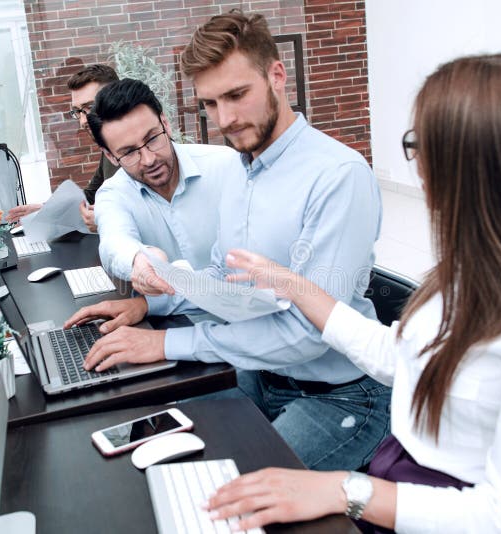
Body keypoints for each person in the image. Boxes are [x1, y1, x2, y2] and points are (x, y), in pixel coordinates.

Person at [201, 54, 501, 533]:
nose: (416, 168)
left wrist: (344, 489)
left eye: (421, 146)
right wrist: (293, 285)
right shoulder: (484, 265)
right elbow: (399, 356)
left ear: (482, 163)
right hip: (400, 483)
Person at [68, 11, 390, 472]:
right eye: (211, 104)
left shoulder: (338, 175)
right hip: (263, 373)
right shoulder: (242, 170)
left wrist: (167, 344)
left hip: (341, 396)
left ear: (277, 75)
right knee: (157, 452)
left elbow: (309, 334)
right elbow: (223, 279)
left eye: (237, 95)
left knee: (228, 489)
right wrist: (149, 304)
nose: (226, 119)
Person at [63, 78, 242, 331]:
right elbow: (114, 242)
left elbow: (238, 279)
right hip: (175, 334)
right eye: (129, 152)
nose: (148, 159)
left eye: (152, 139)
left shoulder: (227, 167)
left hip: (248, 327)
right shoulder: (113, 195)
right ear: (111, 156)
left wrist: (148, 304)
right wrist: (137, 260)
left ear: (165, 124)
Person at [6, 64, 121, 232]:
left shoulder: (143, 152)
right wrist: (45, 209)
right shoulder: (109, 149)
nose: (83, 121)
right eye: (78, 112)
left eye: (90, 107)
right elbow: (90, 197)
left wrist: (107, 220)